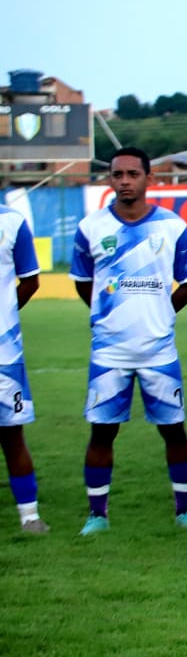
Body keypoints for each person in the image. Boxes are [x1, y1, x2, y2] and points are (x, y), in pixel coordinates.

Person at [71, 148, 187, 534]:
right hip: (109, 351)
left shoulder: (172, 226)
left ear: (149, 178)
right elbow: (84, 284)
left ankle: (185, 511)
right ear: (109, 180)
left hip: (158, 351)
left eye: (133, 174)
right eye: (117, 174)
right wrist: (107, 315)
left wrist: (161, 313)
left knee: (174, 429)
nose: (125, 181)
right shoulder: (91, 227)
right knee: (101, 431)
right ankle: (97, 515)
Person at [0, 198, 44, 533]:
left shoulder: (13, 222)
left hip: (5, 355)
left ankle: (29, 517)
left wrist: (6, 317)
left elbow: (30, 280)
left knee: (12, 436)